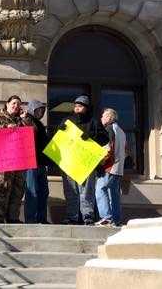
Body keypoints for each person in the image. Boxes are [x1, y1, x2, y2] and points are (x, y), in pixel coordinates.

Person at [60, 95, 109, 225]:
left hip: (86, 162)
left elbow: (105, 138)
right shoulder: (67, 120)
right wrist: (60, 130)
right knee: (71, 190)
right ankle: (72, 216)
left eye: (80, 106)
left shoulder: (93, 122)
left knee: (87, 191)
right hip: (70, 160)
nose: (77, 108)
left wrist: (92, 136)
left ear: (86, 108)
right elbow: (56, 139)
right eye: (75, 106)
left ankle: (88, 215)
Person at [0, 95, 28, 224]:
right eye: (14, 103)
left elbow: (31, 133)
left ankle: (13, 217)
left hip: (18, 161)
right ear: (7, 103)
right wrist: (5, 128)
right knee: (2, 189)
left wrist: (25, 119)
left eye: (18, 104)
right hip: (3, 161)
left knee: (17, 189)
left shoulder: (21, 120)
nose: (16, 106)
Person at [95, 108, 126, 226]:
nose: (101, 118)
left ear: (109, 117)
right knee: (114, 194)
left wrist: (100, 163)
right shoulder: (122, 131)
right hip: (119, 168)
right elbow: (125, 150)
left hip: (109, 166)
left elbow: (108, 148)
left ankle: (106, 217)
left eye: (103, 116)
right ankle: (116, 220)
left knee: (100, 189)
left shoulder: (108, 129)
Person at [23, 100, 50, 224]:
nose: (41, 112)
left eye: (43, 111)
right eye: (39, 110)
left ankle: (42, 218)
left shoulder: (39, 124)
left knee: (43, 192)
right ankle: (30, 219)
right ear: (32, 109)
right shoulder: (26, 121)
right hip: (30, 163)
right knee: (32, 191)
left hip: (41, 163)